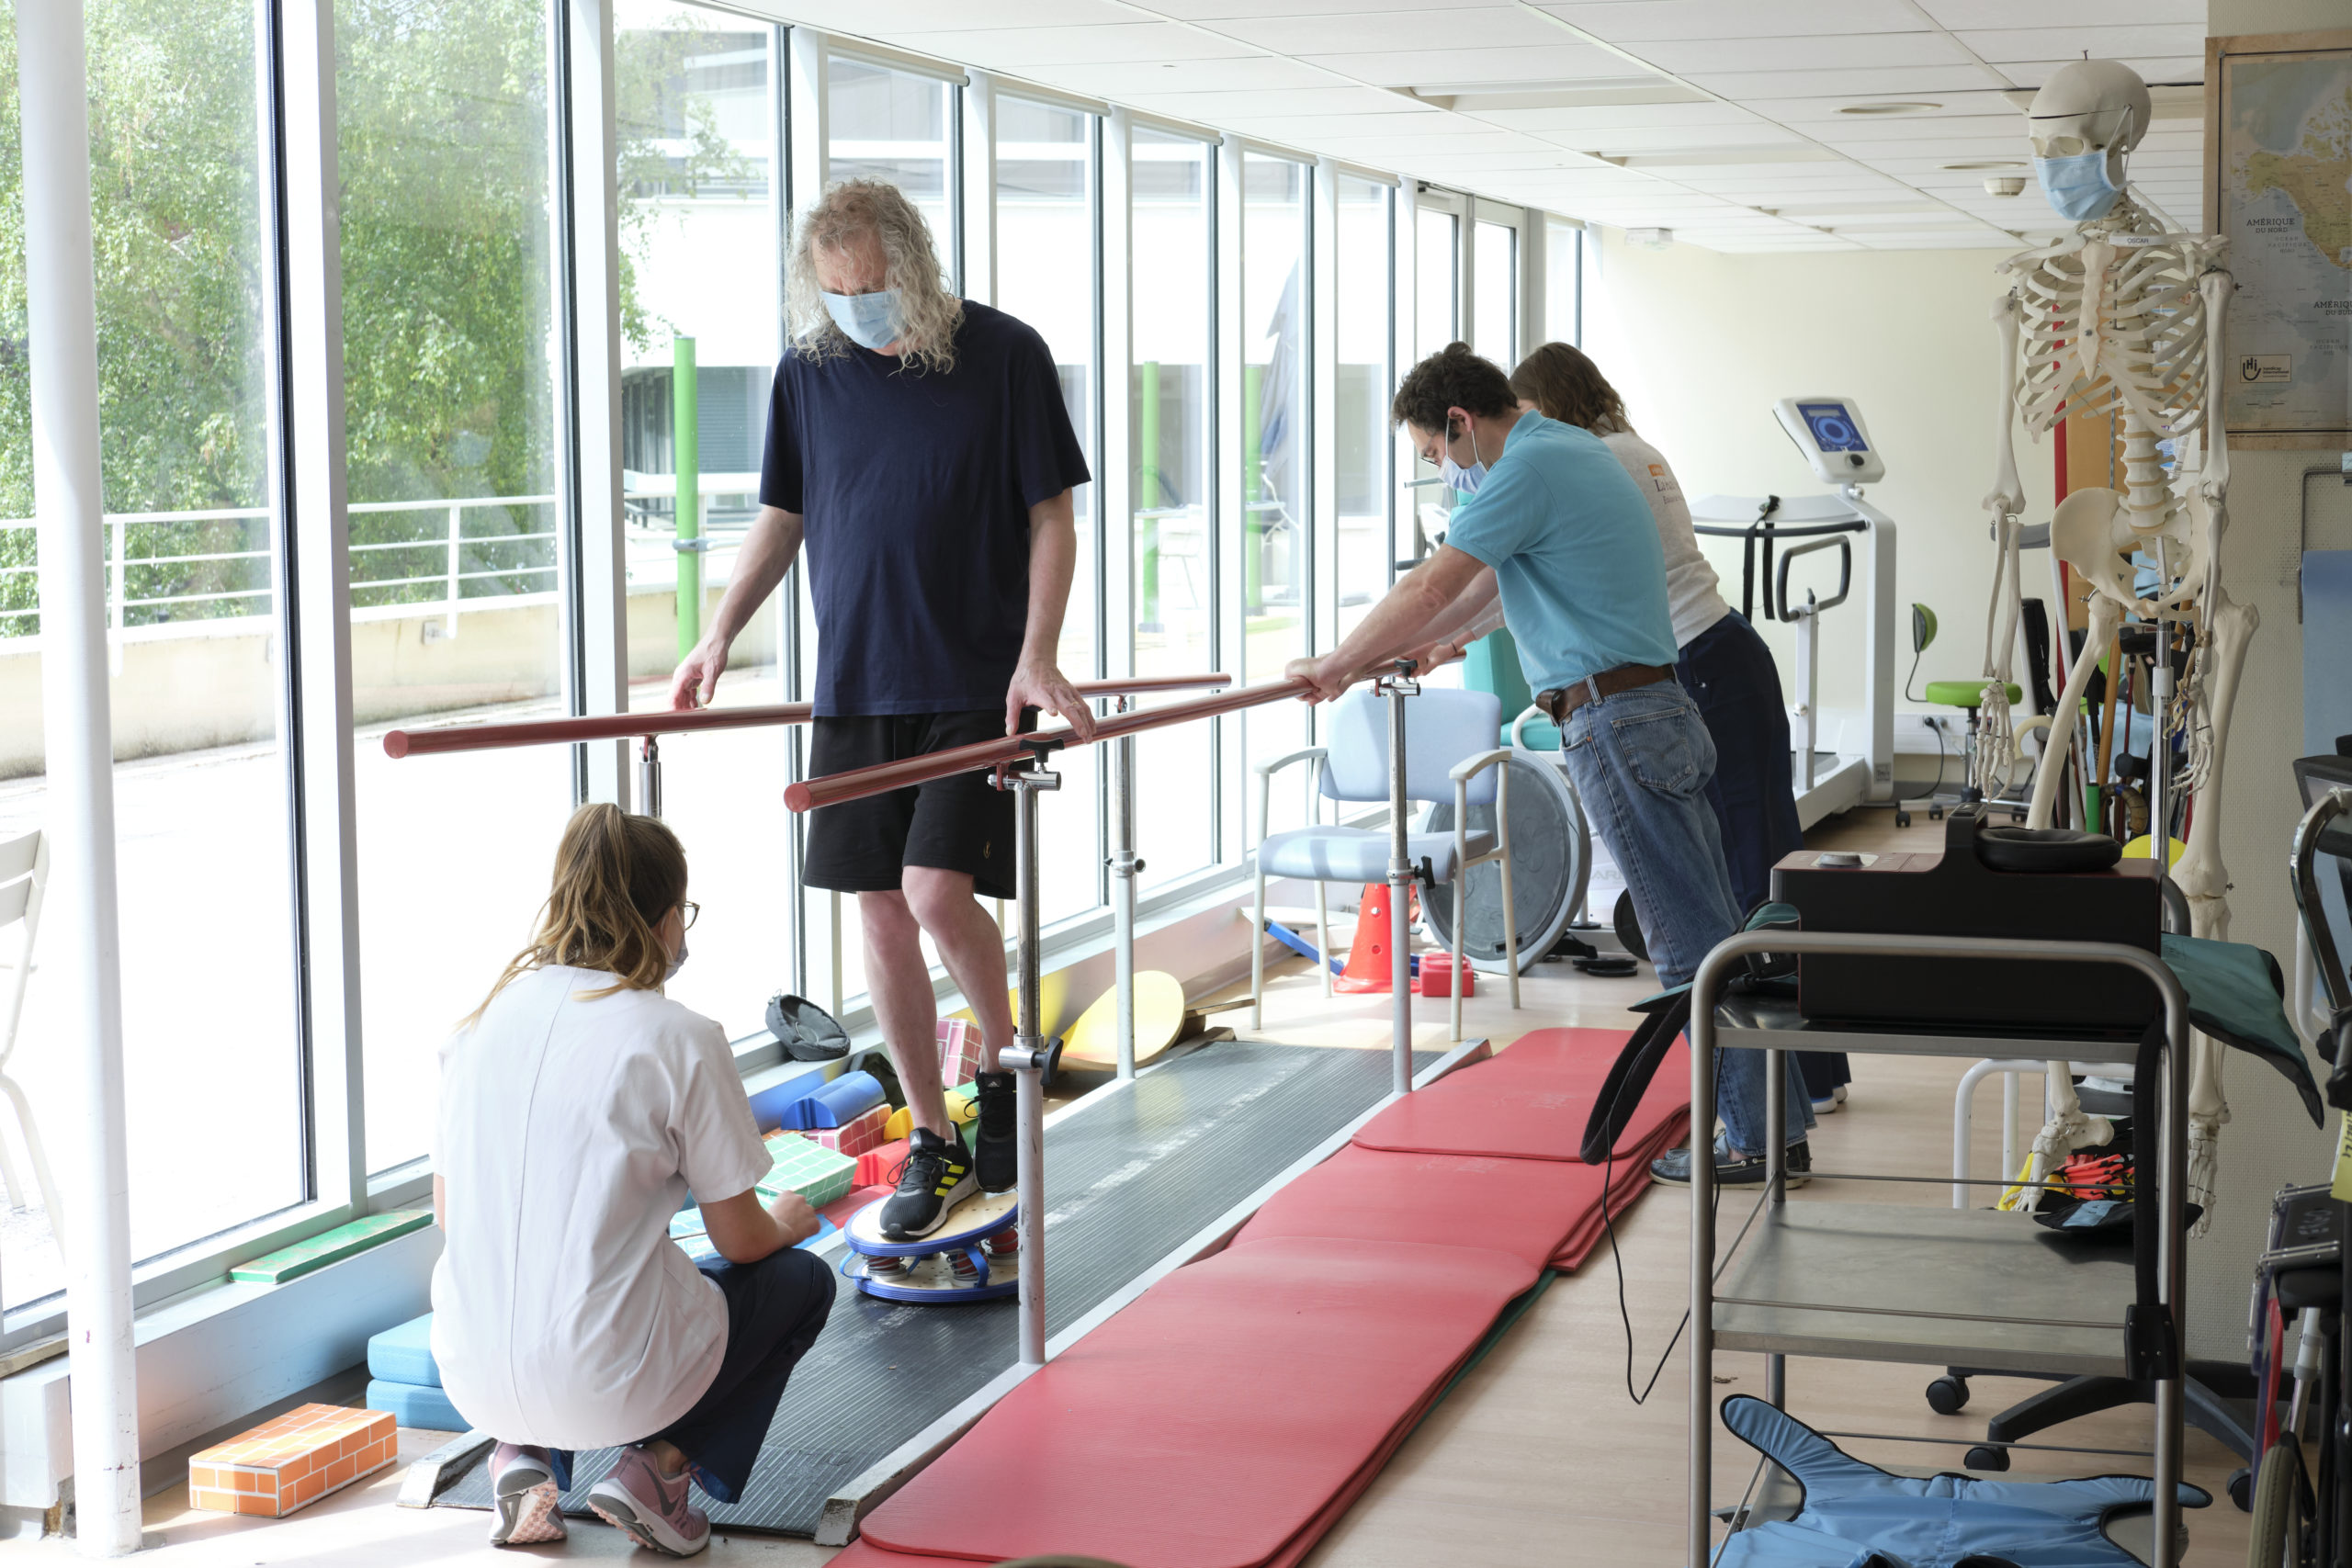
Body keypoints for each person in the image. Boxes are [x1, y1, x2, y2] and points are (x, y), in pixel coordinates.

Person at [669, 180, 1094, 1241]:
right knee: (876, 910)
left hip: (973, 681)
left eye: (874, 284)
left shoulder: (1004, 355)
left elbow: (1053, 518)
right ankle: (937, 1141)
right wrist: (719, 631)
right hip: (857, 679)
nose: (858, 305)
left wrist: (1037, 653)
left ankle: (1003, 1069)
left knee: (934, 890)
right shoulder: (808, 373)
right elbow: (784, 516)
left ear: (916, 264)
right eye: (837, 289)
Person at [1286, 343, 1813, 1185]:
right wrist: (1438, 646)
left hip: (1616, 720)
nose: (1444, 471)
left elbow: (1432, 583)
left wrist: (1337, 664)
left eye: (1435, 452)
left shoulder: (1522, 471)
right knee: (1718, 935)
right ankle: (1776, 1129)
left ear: (1461, 422)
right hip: (1660, 705)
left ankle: (1751, 1141)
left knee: (1687, 950)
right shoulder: (1574, 450)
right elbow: (1498, 588)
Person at [432, 804, 833, 1557]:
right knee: (797, 1282)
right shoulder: (677, 1035)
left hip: (471, 1371)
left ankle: (520, 1455)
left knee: (568, 1291)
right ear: (663, 918)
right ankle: (658, 1471)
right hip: (611, 1378)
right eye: (684, 911)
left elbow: (455, 1216)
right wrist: (789, 1218)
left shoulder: (475, 1027)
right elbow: (742, 1240)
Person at [1509, 343, 1848, 1117]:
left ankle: (1783, 1090)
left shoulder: (1589, 462)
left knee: (1728, 885)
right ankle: (1811, 1075)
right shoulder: (1639, 449)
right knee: (1768, 864)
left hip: (1689, 662)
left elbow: (1545, 568)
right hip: (1732, 649)